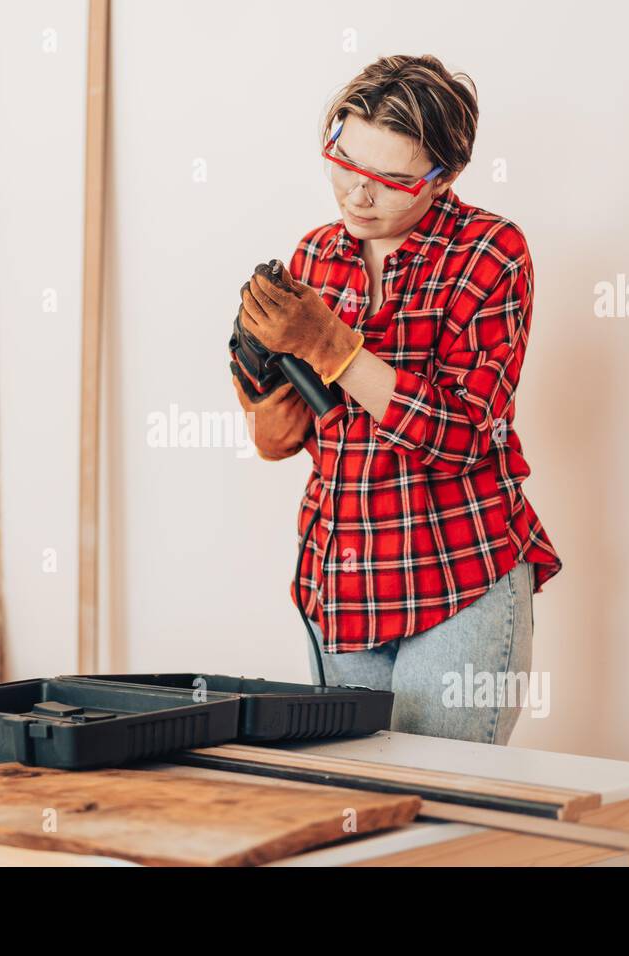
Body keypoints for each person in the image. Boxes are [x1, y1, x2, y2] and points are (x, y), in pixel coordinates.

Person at [232, 54, 562, 746]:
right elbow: (306, 430)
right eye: (344, 160)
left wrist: (334, 348)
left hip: (458, 571)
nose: (357, 194)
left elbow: (467, 436)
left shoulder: (490, 254)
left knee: (447, 800)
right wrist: (269, 417)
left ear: (447, 177)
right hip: (343, 573)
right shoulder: (317, 254)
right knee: (356, 805)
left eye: (392, 180)